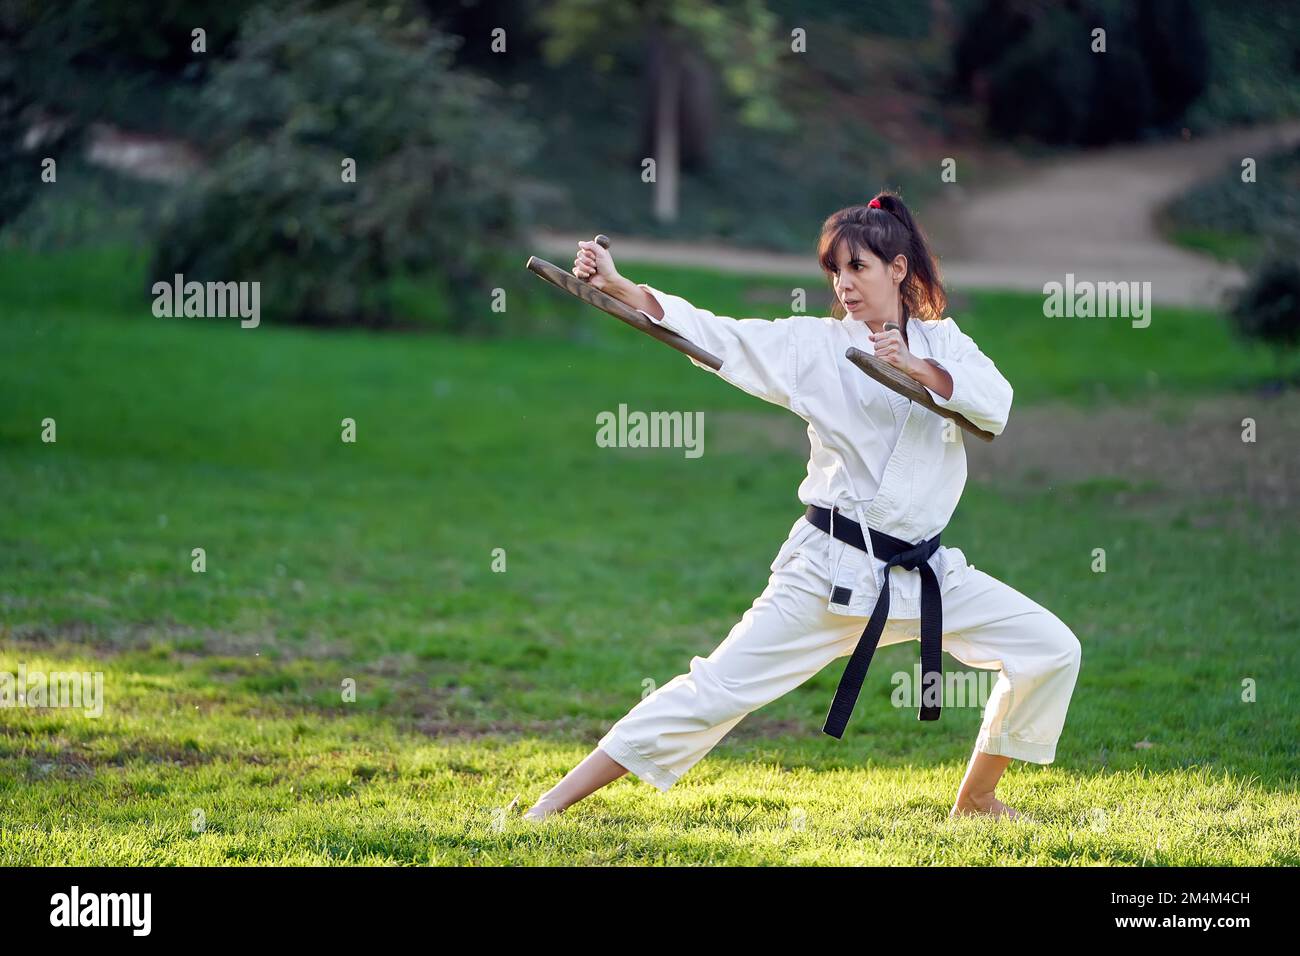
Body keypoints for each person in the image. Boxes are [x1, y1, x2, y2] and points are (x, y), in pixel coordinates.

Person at [523, 192, 1081, 823]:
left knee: (1051, 648)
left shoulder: (945, 343)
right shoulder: (814, 347)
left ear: (898, 270)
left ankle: (977, 801)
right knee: (716, 691)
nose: (843, 284)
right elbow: (717, 334)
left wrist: (916, 366)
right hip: (828, 572)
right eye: (835, 271)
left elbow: (995, 406)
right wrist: (622, 287)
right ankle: (548, 805)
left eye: (859, 268)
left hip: (925, 572)